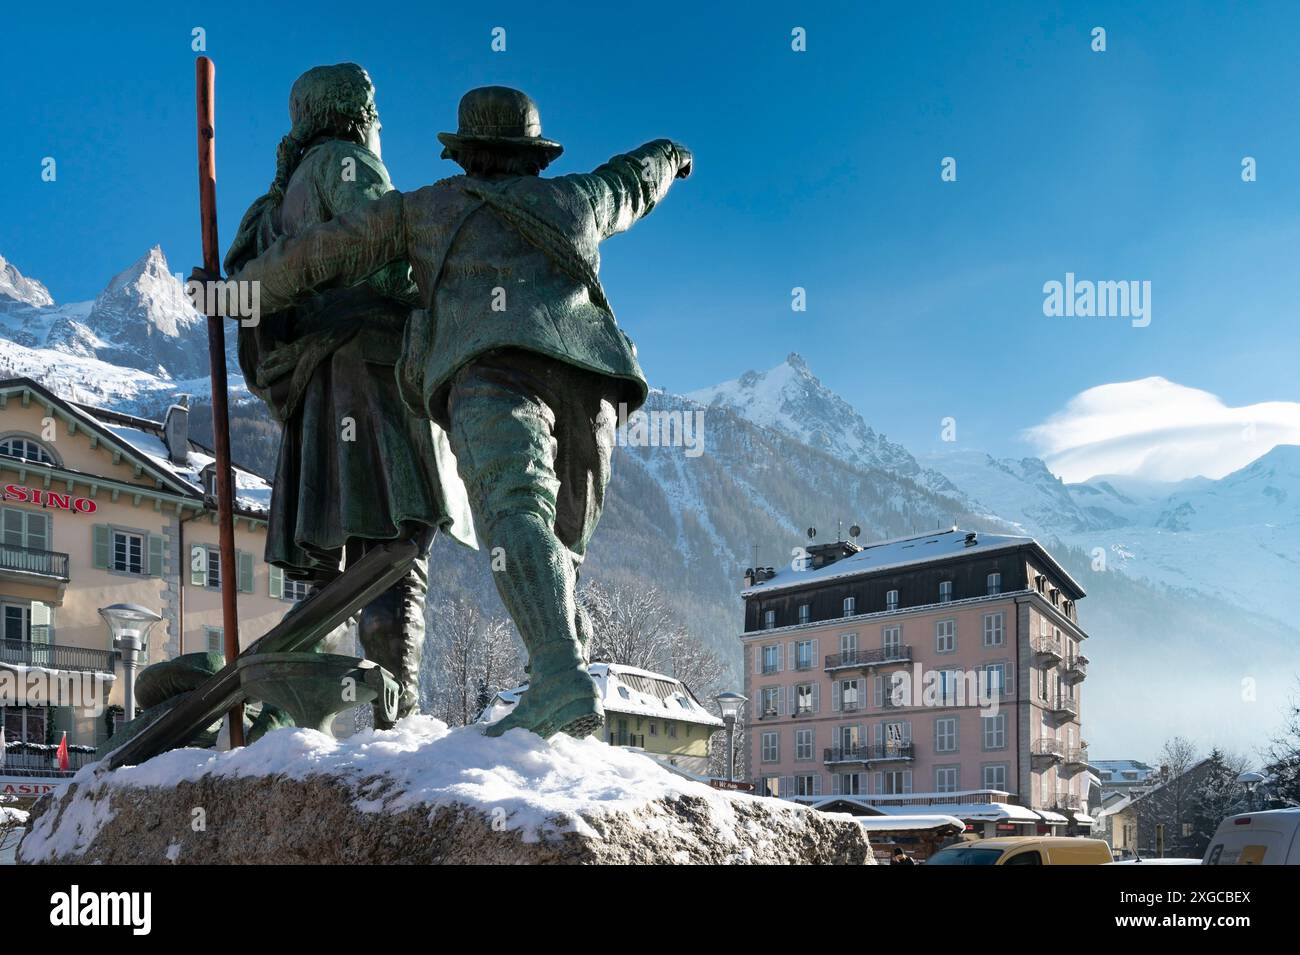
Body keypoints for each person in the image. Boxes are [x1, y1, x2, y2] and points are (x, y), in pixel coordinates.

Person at [225, 85, 690, 739]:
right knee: (560, 545)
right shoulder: (576, 197)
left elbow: (320, 255)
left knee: (517, 514)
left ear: (465, 153)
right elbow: (634, 180)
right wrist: (671, 154)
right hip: (594, 388)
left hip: (491, 375)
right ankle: (560, 678)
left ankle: (558, 678)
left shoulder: (428, 209)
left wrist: (233, 292)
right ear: (533, 155)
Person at [221, 64, 474, 728]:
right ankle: (400, 716)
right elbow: (385, 245)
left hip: (317, 388)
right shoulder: (344, 163)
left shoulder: (272, 206)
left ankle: (292, 718)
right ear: (356, 113)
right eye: (375, 113)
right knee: (396, 543)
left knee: (331, 569)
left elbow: (252, 299)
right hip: (371, 372)